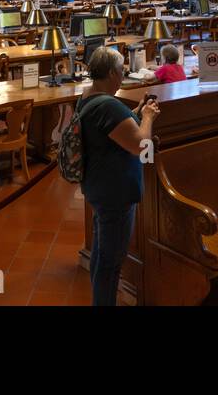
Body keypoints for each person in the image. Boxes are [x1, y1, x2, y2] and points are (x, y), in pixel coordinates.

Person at [76, 46, 158, 306]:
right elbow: (139, 145)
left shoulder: (88, 96)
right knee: (111, 264)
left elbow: (112, 132)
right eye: (121, 70)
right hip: (115, 191)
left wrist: (134, 114)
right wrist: (147, 117)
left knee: (101, 255)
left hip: (98, 185)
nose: (124, 75)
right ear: (111, 72)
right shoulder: (110, 106)